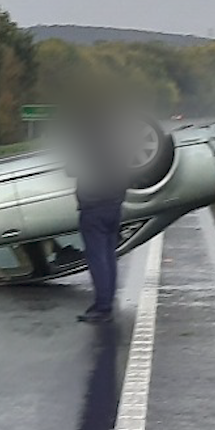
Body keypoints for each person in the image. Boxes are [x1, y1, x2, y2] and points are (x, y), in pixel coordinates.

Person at [65, 98, 132, 323]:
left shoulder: (88, 142)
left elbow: (72, 169)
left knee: (97, 258)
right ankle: (106, 301)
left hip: (94, 206)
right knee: (109, 256)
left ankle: (102, 308)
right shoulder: (115, 142)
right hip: (114, 205)